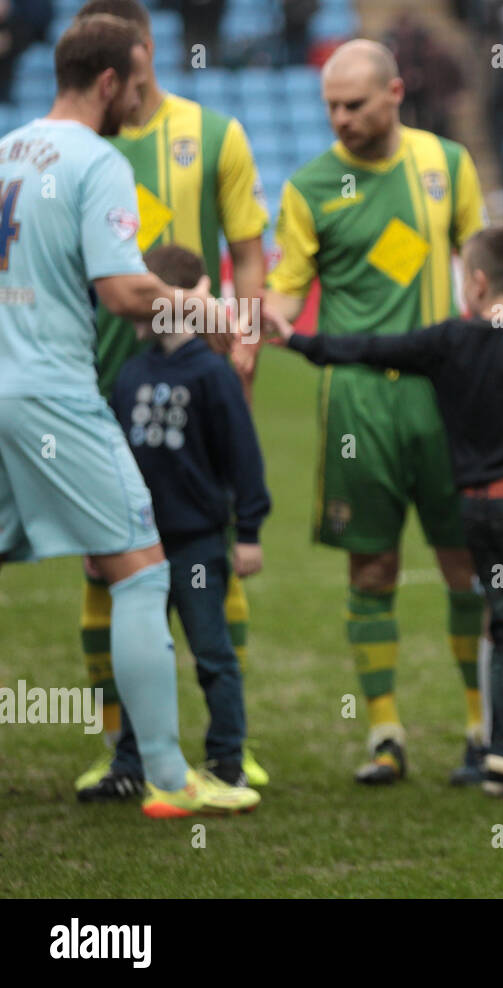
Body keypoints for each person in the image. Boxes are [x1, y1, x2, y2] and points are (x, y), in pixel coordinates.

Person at [0, 13, 261, 816]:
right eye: (136, 83)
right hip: (50, 390)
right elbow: (121, 292)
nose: (140, 98)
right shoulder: (98, 158)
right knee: (143, 572)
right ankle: (171, 781)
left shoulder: (6, 148)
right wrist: (204, 309)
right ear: (111, 80)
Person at [264, 40, 490, 786]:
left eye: (353, 104)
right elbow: (286, 292)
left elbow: (480, 270)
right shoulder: (309, 188)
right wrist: (255, 322)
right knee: (373, 567)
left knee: (466, 565)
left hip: (445, 394)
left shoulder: (448, 166)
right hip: (357, 402)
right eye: (329, 105)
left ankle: (479, 727)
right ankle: (385, 734)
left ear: (395, 93)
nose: (338, 119)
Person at [278, 225, 503, 797]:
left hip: (474, 512)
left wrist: (296, 340)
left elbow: (367, 349)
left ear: (477, 282)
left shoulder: (448, 341)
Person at [70, 0, 270, 800]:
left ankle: (232, 749)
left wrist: (244, 334)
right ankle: (122, 749)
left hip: (197, 370)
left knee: (211, 574)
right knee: (103, 573)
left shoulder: (214, 134)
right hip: (102, 375)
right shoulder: (81, 145)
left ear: (143, 51)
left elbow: (249, 253)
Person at [87, 244, 270, 798]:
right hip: (136, 543)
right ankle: (129, 763)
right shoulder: (131, 374)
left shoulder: (213, 374)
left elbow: (244, 459)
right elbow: (112, 465)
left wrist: (250, 533)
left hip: (196, 544)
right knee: (139, 656)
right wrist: (101, 538)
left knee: (211, 654)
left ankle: (226, 762)